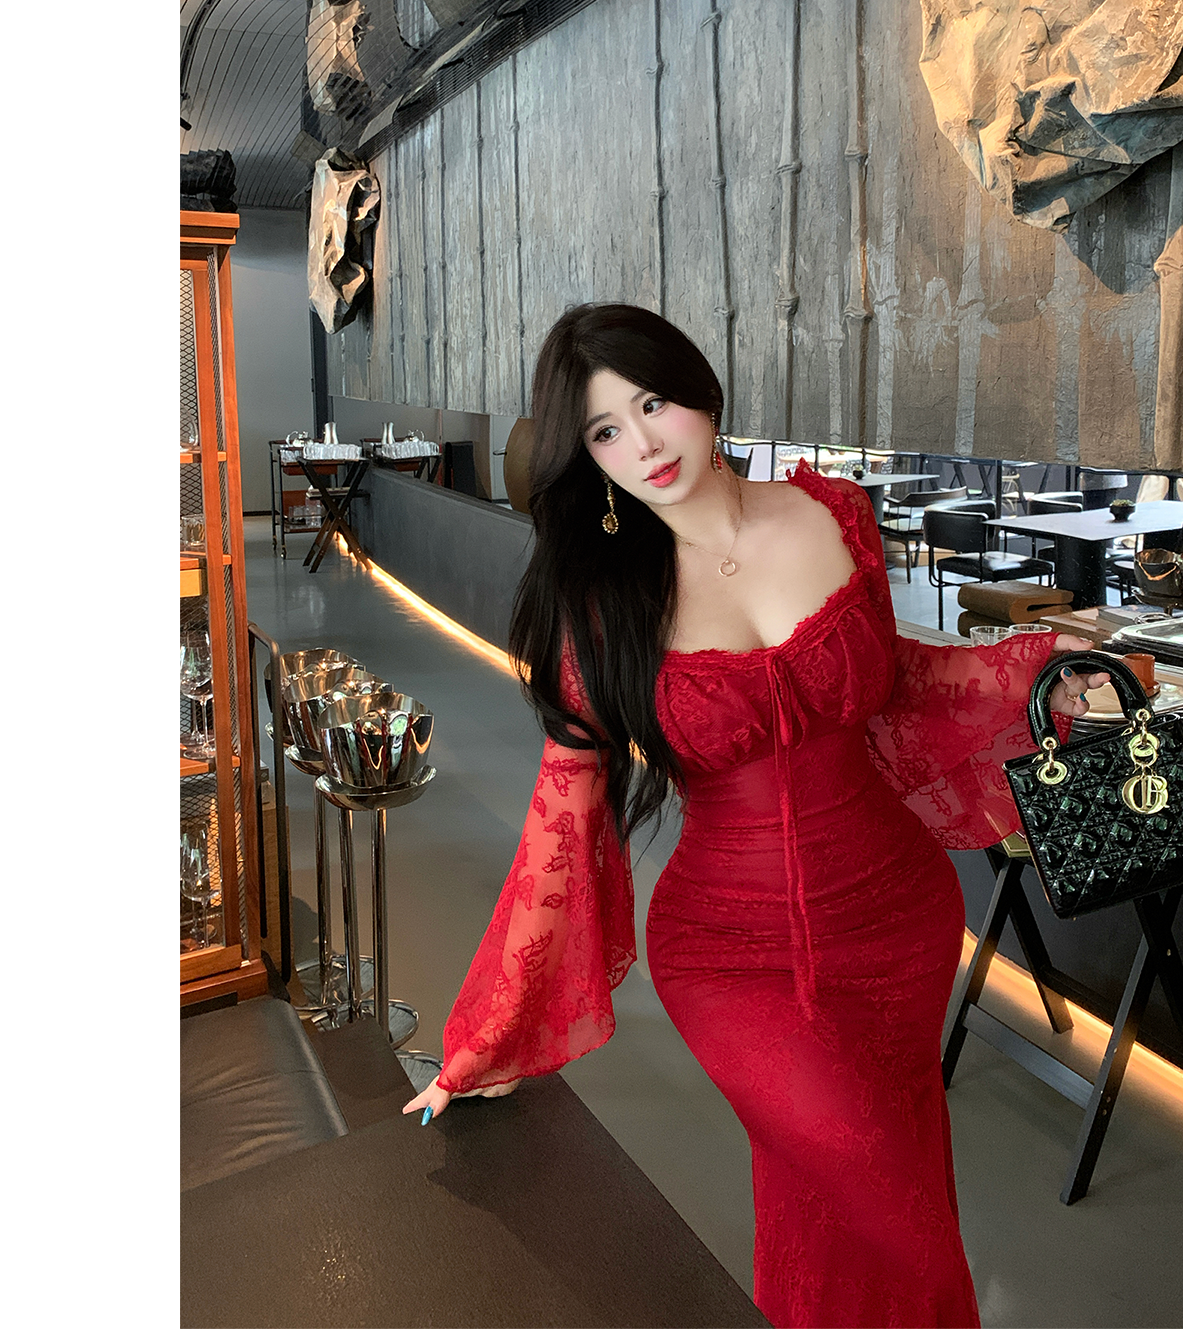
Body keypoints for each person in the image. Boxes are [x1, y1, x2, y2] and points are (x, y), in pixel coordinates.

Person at [403, 303, 1109, 1328]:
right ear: (586, 456)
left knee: (838, 1199)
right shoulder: (600, 608)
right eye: (605, 430)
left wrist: (1041, 674)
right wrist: (487, 1034)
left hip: (900, 922)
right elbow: (560, 826)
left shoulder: (834, 513)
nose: (644, 445)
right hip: (731, 958)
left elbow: (894, 677)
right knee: (898, 1217)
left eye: (654, 403)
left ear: (701, 391)